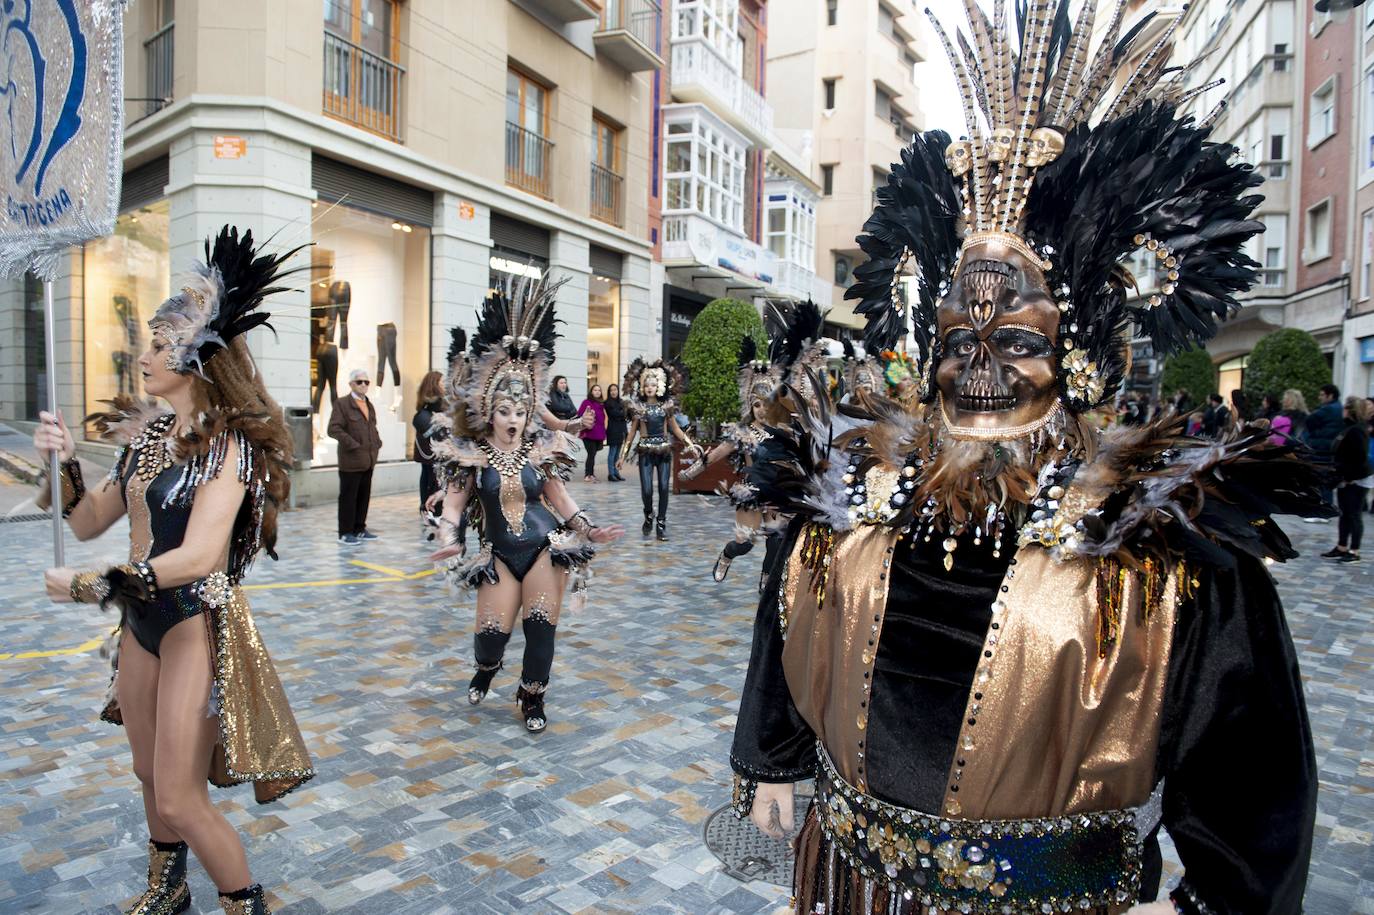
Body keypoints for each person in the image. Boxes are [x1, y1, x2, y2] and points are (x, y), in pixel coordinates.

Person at [730, 6, 1323, 912]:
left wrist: (1213, 897)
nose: (978, 365)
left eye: (1013, 339)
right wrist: (774, 757)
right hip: (854, 883)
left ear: (1077, 353)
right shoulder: (852, 488)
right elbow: (786, 610)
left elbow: (1253, 746)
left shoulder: (1162, 541)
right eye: (958, 335)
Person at [33, 227, 313, 915]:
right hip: (140, 625)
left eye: (159, 344)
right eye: (150, 342)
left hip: (191, 621)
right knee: (145, 770)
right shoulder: (149, 437)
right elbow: (85, 519)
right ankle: (169, 887)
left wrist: (102, 581)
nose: (145, 354)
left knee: (180, 796)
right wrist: (62, 462)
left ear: (196, 357)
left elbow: (198, 556)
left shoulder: (231, 449)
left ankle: (244, 901)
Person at [427, 274, 623, 732]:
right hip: (499, 552)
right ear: (488, 413)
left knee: (540, 629)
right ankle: (487, 668)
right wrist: (449, 536)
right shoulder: (471, 456)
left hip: (544, 547)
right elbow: (454, 507)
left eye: (520, 412)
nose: (513, 420)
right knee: (490, 637)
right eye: (504, 412)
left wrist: (589, 530)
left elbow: (560, 498)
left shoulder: (541, 451)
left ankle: (532, 696)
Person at [680, 335, 783, 588]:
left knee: (777, 539)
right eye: (756, 404)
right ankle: (727, 555)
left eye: (765, 403)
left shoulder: (783, 431)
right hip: (751, 491)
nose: (761, 409)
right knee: (745, 543)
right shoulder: (743, 431)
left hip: (776, 491)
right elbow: (717, 453)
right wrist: (690, 474)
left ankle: (766, 582)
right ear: (750, 405)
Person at [617, 357, 702, 542]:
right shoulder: (638, 408)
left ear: (659, 386)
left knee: (664, 488)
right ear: (642, 386)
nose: (650, 388)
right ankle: (649, 514)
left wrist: (691, 445)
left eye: (653, 385)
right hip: (645, 451)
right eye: (646, 384)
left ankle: (661, 524)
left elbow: (677, 430)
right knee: (647, 490)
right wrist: (622, 456)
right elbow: (631, 434)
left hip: (663, 451)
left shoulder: (666, 407)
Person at [328, 368, 382, 545]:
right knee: (348, 498)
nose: (364, 385)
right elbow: (333, 429)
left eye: (366, 382)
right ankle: (345, 532)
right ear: (351, 384)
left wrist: (377, 442)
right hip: (351, 461)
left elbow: (372, 427)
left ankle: (359, 528)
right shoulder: (342, 404)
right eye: (360, 382)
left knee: (363, 496)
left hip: (368, 460)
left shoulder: (369, 404)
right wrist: (353, 444)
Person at [1323, 397, 1372, 563]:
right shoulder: (1349, 429)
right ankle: (1342, 546)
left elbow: (1359, 458)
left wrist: (1350, 477)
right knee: (1345, 514)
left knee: (1354, 515)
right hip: (1346, 477)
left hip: (1356, 480)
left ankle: (1354, 550)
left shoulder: (1357, 430)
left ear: (1350, 411)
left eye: (1345, 408)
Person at [412, 368, 446, 537]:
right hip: (430, 454)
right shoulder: (424, 412)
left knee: (436, 480)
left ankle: (435, 512)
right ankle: (429, 511)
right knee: (429, 478)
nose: (445, 384)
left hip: (440, 454)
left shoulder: (445, 405)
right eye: (442, 382)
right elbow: (437, 433)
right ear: (434, 385)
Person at [576, 384, 607, 482]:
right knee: (591, 454)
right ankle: (588, 474)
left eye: (599, 390)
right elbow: (580, 415)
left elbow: (603, 419)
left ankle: (590, 474)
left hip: (598, 434)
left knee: (593, 454)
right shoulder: (586, 402)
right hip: (588, 434)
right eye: (595, 390)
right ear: (591, 392)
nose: (597, 392)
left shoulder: (601, 404)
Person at [604, 383, 628, 481]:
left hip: (621, 429)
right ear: (609, 392)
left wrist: (623, 413)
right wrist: (622, 413)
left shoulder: (621, 402)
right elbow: (615, 414)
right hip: (613, 429)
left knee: (617, 453)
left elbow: (625, 415)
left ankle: (616, 472)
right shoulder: (607, 403)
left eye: (615, 390)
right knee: (612, 452)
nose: (614, 392)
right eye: (611, 390)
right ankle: (611, 473)